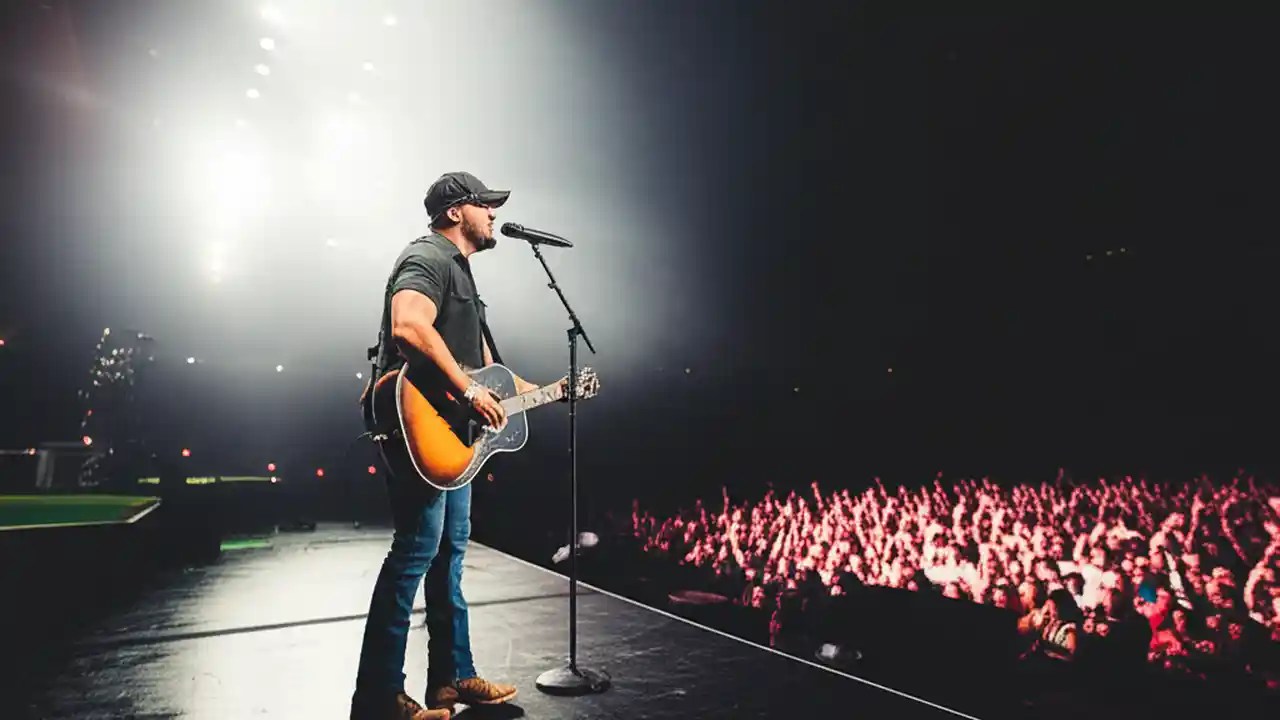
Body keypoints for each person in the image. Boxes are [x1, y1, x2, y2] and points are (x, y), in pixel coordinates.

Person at [352, 172, 536, 720]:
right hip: (421, 428)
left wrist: (550, 392)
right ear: (457, 211)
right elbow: (409, 326)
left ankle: (451, 679)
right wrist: (469, 389)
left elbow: (487, 370)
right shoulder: (428, 256)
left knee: (449, 556)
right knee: (414, 552)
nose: (494, 214)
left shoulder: (463, 276)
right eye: (486, 205)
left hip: (454, 439)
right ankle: (380, 696)